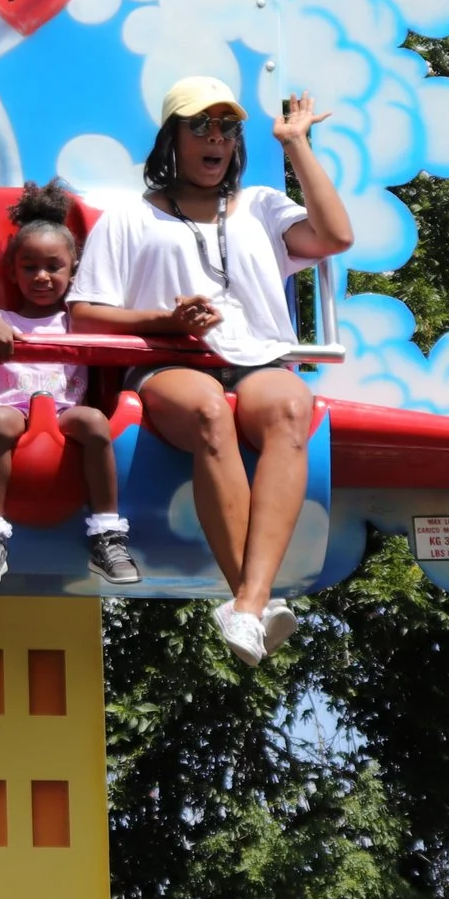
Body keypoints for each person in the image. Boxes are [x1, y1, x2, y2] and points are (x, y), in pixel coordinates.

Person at [68, 76, 354, 666]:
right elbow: (81, 315)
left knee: (291, 408)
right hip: (170, 361)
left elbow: (335, 236)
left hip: (258, 359)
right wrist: (165, 321)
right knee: (206, 411)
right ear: (171, 138)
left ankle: (248, 603)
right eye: (200, 125)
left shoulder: (263, 206)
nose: (215, 137)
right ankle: (252, 600)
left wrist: (296, 144)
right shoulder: (128, 217)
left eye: (226, 126)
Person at [0, 181, 141, 588]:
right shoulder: (1, 317)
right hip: (13, 410)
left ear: (73, 270)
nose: (41, 276)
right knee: (0, 423)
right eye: (29, 267)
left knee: (96, 421)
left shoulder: (77, 321)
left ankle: (107, 532)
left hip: (63, 412)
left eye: (53, 267)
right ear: (13, 271)